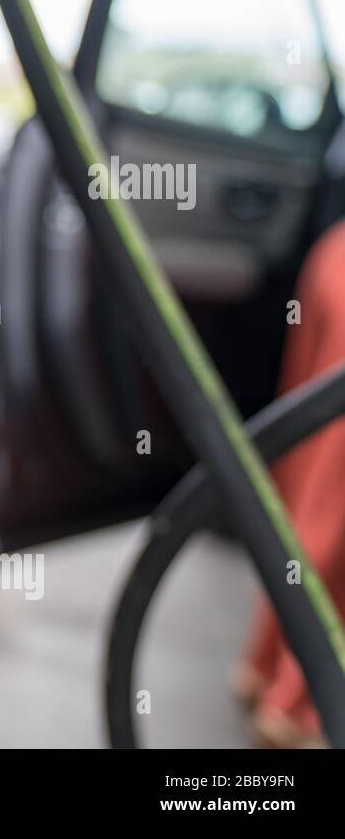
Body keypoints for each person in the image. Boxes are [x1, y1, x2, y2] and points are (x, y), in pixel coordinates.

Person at [238, 220, 345, 748]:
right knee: (331, 505)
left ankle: (264, 664)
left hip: (337, 257)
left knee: (305, 469)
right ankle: (294, 696)